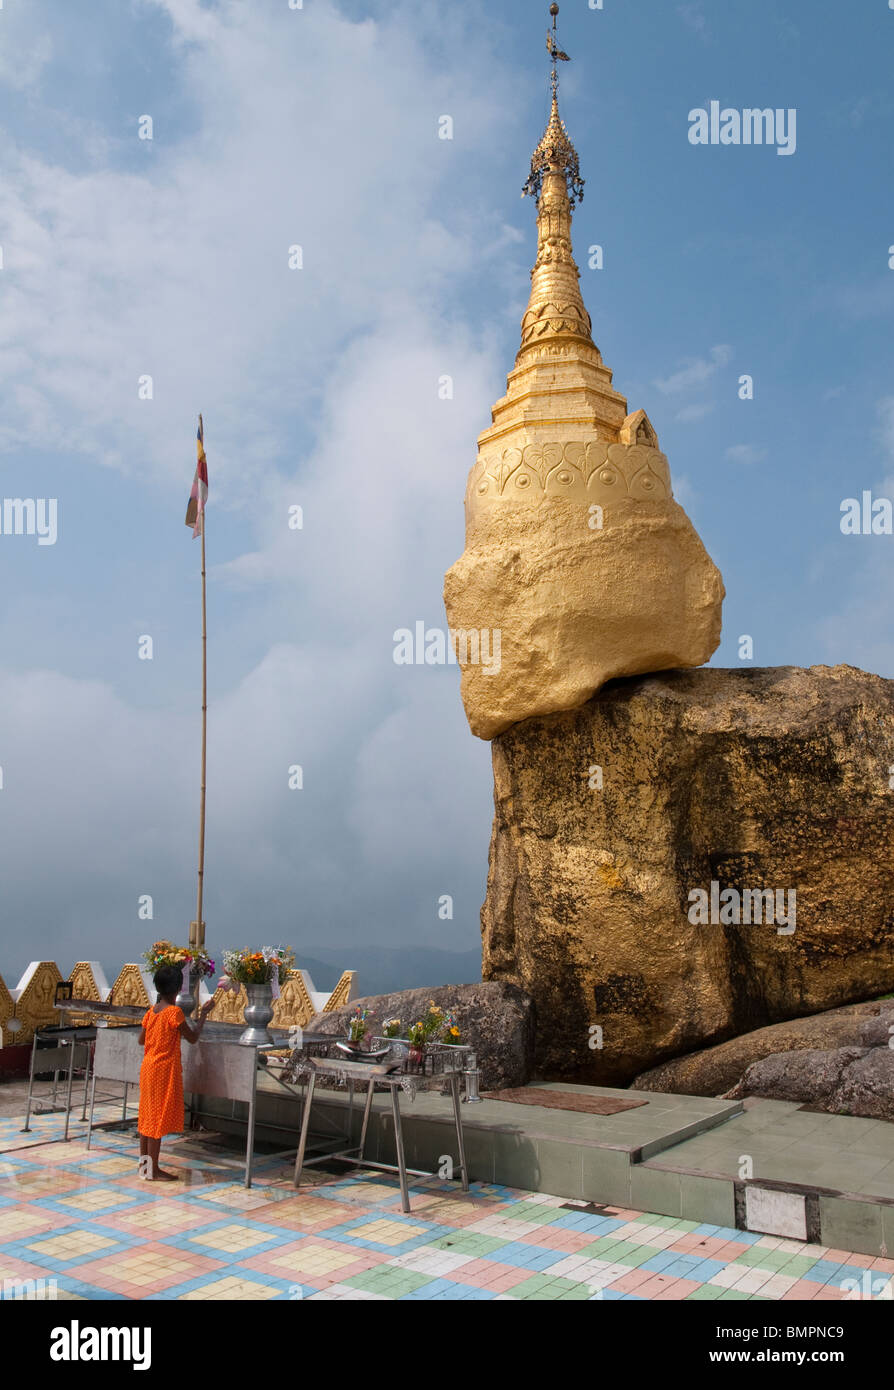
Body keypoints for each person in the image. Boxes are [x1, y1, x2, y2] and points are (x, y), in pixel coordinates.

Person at [137, 963, 214, 1180]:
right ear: (179, 988)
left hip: (148, 1067)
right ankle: (153, 1170)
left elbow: (142, 1040)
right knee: (157, 1120)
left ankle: (144, 1167)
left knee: (146, 1118)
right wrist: (205, 1014)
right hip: (163, 1069)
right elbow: (192, 1037)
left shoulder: (151, 1012)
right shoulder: (174, 1012)